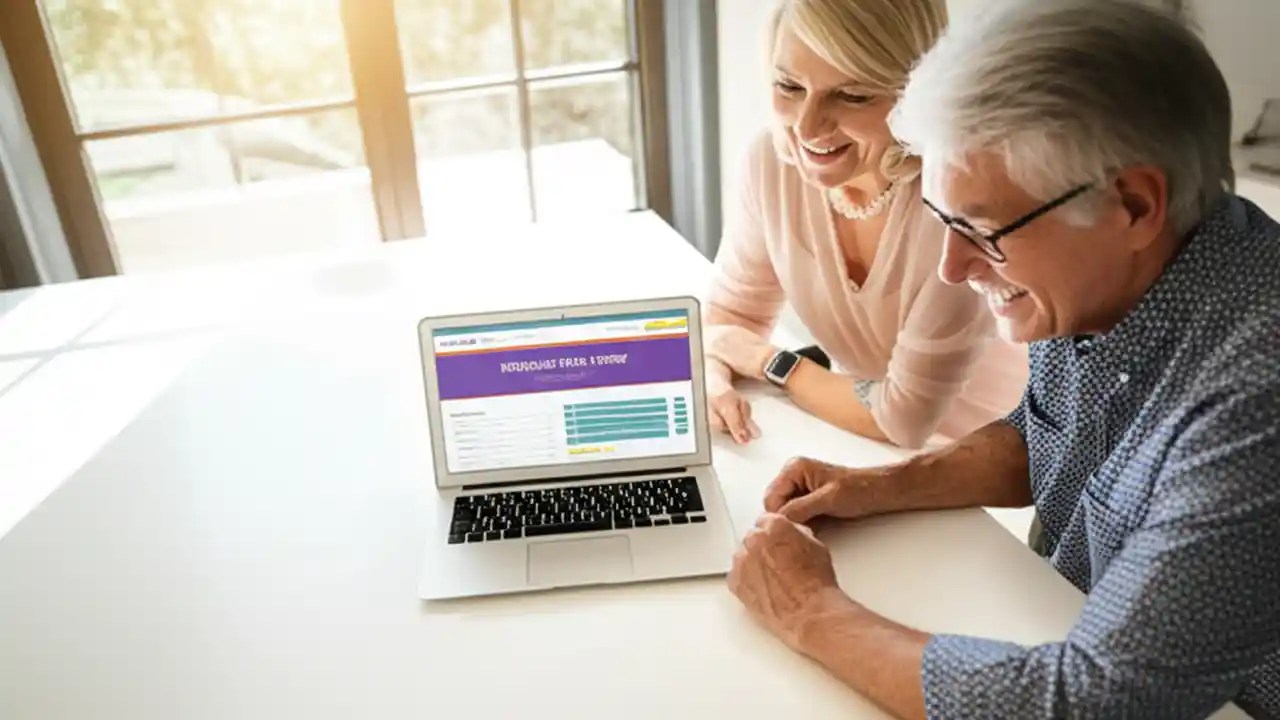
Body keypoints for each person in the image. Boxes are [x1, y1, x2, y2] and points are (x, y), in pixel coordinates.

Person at [726, 0, 1280, 718]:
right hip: (1059, 614)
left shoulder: (1256, 399)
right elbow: (1049, 437)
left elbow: (1091, 703)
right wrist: (873, 487)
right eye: (945, 221)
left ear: (1135, 205)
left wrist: (808, 610)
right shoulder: (1099, 273)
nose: (954, 268)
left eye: (983, 231)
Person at [703, 0, 1026, 450]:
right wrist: (714, 378)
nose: (808, 126)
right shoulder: (771, 164)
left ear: (917, 92)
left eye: (853, 95)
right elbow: (730, 319)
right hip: (864, 447)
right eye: (789, 85)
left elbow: (905, 418)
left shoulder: (956, 195)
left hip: (989, 475)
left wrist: (768, 361)